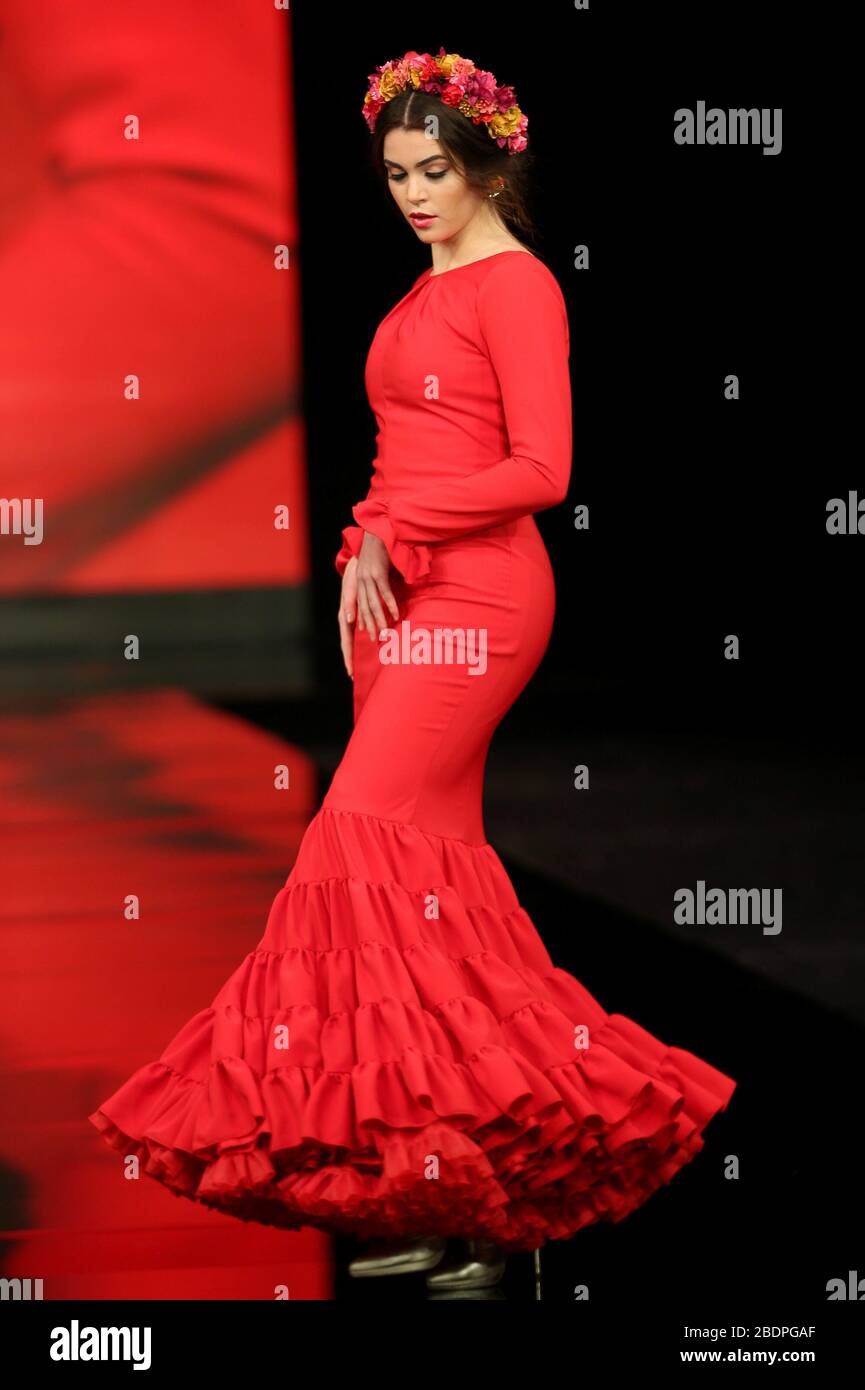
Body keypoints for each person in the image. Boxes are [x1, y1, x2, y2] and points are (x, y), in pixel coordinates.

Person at [89, 47, 737, 1294]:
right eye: (395, 173)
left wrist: (394, 534)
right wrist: (358, 556)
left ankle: (465, 1163)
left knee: (357, 842)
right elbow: (410, 453)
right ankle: (471, 1192)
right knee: (425, 885)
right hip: (393, 601)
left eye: (434, 169)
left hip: (481, 595)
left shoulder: (515, 285)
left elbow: (542, 468)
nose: (413, 193)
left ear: (491, 162)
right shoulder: (422, 286)